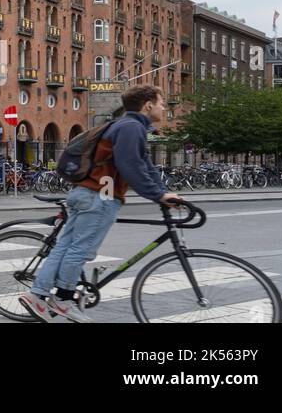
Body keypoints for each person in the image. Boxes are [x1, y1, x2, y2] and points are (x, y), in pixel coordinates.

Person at [20, 86, 183, 323]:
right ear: (147, 104)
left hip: (87, 192)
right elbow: (131, 165)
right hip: (100, 194)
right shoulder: (131, 127)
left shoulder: (124, 125)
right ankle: (63, 299)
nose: (163, 107)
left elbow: (145, 164)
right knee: (80, 250)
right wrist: (157, 195)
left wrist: (162, 192)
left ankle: (38, 295)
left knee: (65, 247)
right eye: (161, 102)